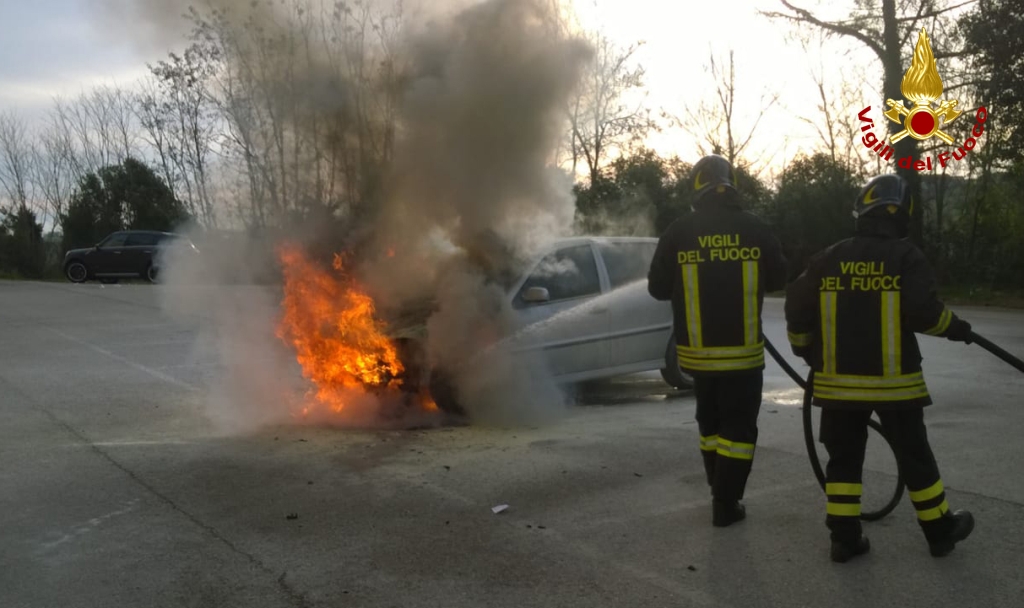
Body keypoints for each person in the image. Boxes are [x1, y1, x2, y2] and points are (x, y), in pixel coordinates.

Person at [784, 173, 975, 562]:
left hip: (838, 386)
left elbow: (797, 307)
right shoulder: (907, 257)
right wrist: (956, 328)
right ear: (903, 215)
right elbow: (924, 312)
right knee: (914, 457)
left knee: (843, 460)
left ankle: (844, 540)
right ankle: (939, 532)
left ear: (862, 211)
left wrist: (806, 351)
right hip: (895, 385)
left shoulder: (829, 257)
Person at [648, 154, 787, 527]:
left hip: (697, 358)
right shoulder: (755, 228)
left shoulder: (679, 231)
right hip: (743, 357)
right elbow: (779, 279)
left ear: (696, 188)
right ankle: (725, 502)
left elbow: (657, 288)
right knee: (739, 428)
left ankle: (718, 485)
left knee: (709, 424)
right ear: (732, 184)